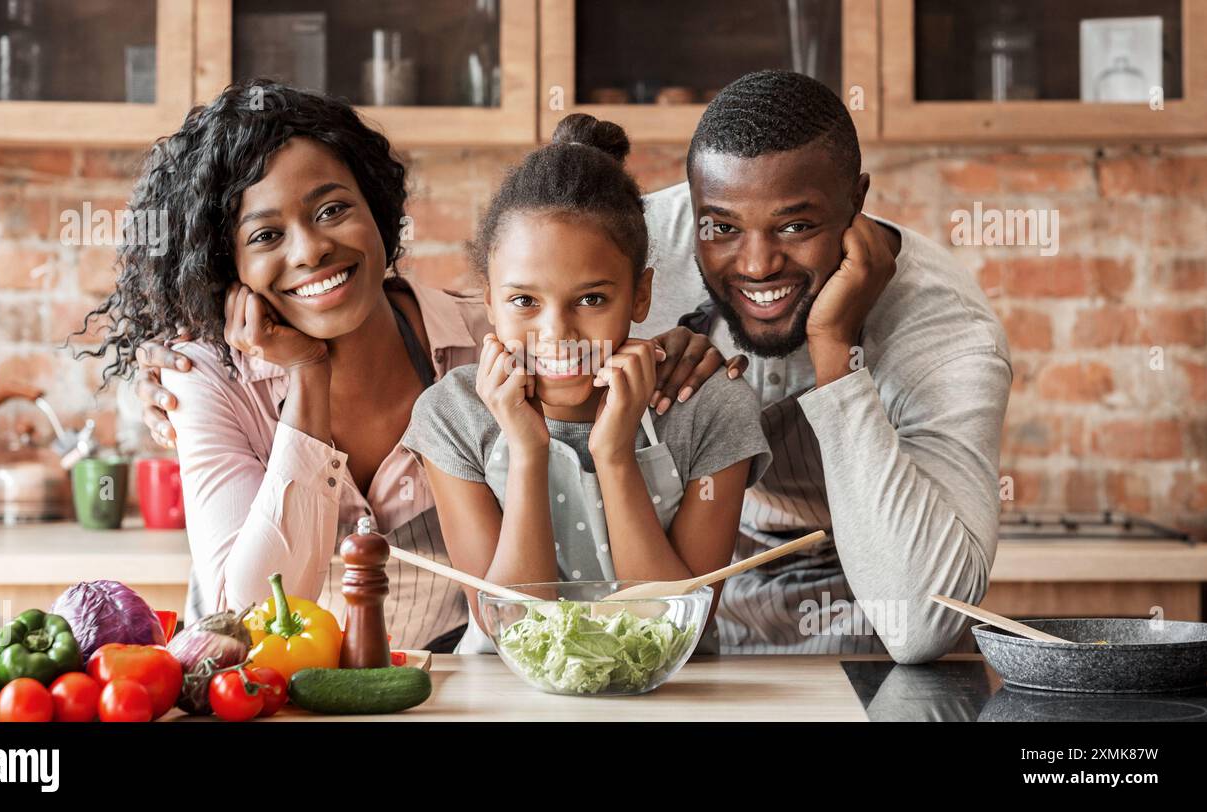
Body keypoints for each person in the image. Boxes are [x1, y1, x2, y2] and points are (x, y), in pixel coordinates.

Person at [98, 80, 742, 651]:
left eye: (332, 210)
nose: (312, 249)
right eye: (266, 235)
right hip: (264, 693)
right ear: (225, 262)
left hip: (438, 695)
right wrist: (308, 380)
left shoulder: (489, 344)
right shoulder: (204, 380)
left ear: (376, 209)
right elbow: (246, 617)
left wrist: (681, 341)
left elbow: (602, 284)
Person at [638, 70, 1012, 663]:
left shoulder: (946, 331)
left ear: (856, 202)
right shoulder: (637, 252)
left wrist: (835, 350)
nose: (758, 265)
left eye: (795, 225)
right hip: (678, 610)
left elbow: (921, 625)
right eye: (723, 228)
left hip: (871, 629)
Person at [400, 114, 771, 653]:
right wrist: (528, 450)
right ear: (488, 300)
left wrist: (616, 455)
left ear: (640, 295)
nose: (557, 333)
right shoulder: (453, 415)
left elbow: (671, 626)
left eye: (592, 299)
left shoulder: (707, 407)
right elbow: (508, 626)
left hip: (671, 702)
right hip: (506, 702)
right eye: (524, 301)